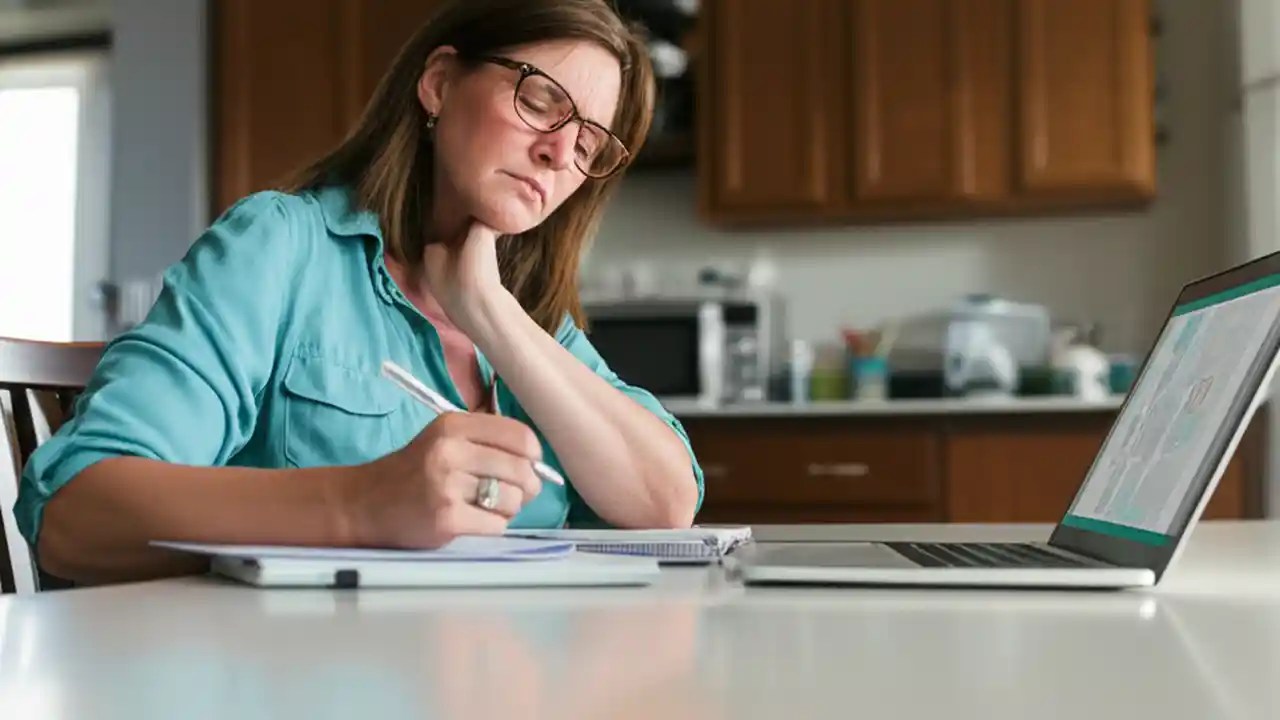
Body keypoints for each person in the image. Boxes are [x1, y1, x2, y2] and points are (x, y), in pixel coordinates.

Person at [15, 0, 704, 585]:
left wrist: (492, 313)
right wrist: (361, 505)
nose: (560, 152)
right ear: (438, 83)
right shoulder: (281, 247)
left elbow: (666, 502)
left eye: (589, 143)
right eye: (540, 99)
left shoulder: (526, 318)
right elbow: (75, 512)